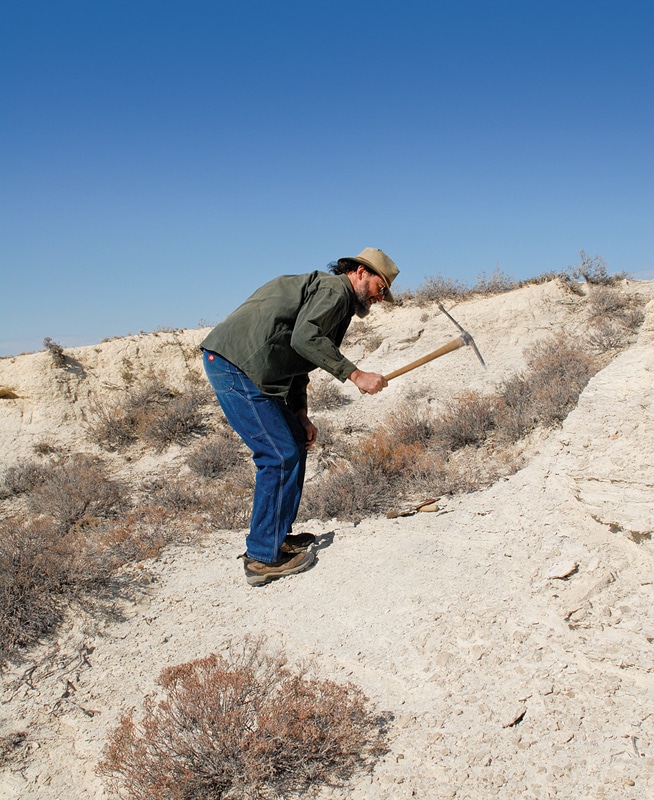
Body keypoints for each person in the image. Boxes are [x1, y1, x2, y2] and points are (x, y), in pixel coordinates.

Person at [200, 247, 399, 586]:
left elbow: (298, 358)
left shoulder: (335, 300)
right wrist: (356, 375)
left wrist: (301, 414)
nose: (381, 298)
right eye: (382, 288)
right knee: (278, 455)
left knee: (294, 439)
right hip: (236, 366)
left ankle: (276, 534)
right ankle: (262, 557)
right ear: (362, 273)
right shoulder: (336, 290)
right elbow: (305, 339)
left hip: (246, 368)